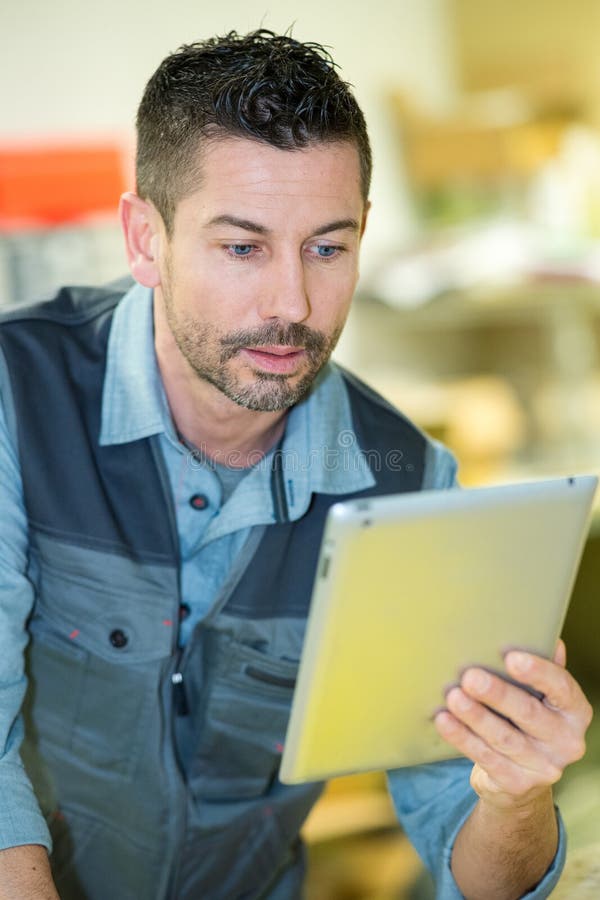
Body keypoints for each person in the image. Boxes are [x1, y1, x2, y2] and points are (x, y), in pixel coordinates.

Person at [0, 29, 592, 900]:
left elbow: (480, 871)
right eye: (243, 247)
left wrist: (517, 792)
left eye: (328, 247)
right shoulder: (18, 396)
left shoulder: (407, 483)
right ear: (144, 239)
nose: (293, 304)